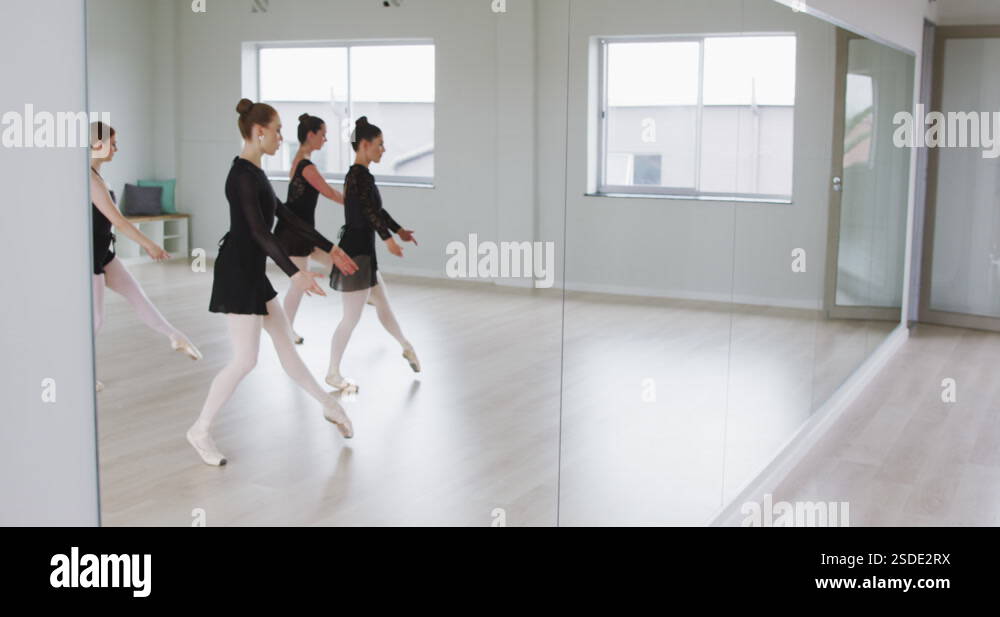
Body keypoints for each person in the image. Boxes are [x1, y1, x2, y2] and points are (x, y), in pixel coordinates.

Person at [186, 99, 359, 467]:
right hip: (237, 273)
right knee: (245, 360)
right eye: (277, 130)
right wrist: (296, 273)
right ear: (258, 131)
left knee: (287, 351)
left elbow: (287, 217)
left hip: (251, 273)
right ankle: (200, 429)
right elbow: (260, 233)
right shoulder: (241, 177)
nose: (282, 138)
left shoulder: (255, 172)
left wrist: (332, 247)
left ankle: (331, 408)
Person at [89, 122, 201, 393]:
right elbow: (118, 220)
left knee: (137, 295)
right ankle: (78, 373)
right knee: (96, 320)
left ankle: (176, 335)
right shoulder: (88, 179)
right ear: (96, 144)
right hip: (89, 257)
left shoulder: (98, 175)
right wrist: (150, 244)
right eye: (112, 143)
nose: (116, 148)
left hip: (105, 252)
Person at [326, 116, 420, 392]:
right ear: (364, 145)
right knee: (350, 319)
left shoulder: (361, 176)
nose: (383, 149)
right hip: (356, 256)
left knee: (383, 305)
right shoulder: (358, 176)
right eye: (379, 144)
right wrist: (388, 238)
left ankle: (406, 347)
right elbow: (368, 214)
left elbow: (376, 211)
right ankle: (333, 372)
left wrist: (398, 230)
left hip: (364, 254)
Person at [274, 113, 346, 344]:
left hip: (303, 232)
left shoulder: (298, 159)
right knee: (299, 284)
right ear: (311, 134)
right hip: (295, 234)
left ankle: (366, 293)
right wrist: (357, 203)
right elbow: (330, 193)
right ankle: (284, 332)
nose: (325, 139)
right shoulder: (306, 166)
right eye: (323, 134)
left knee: (337, 262)